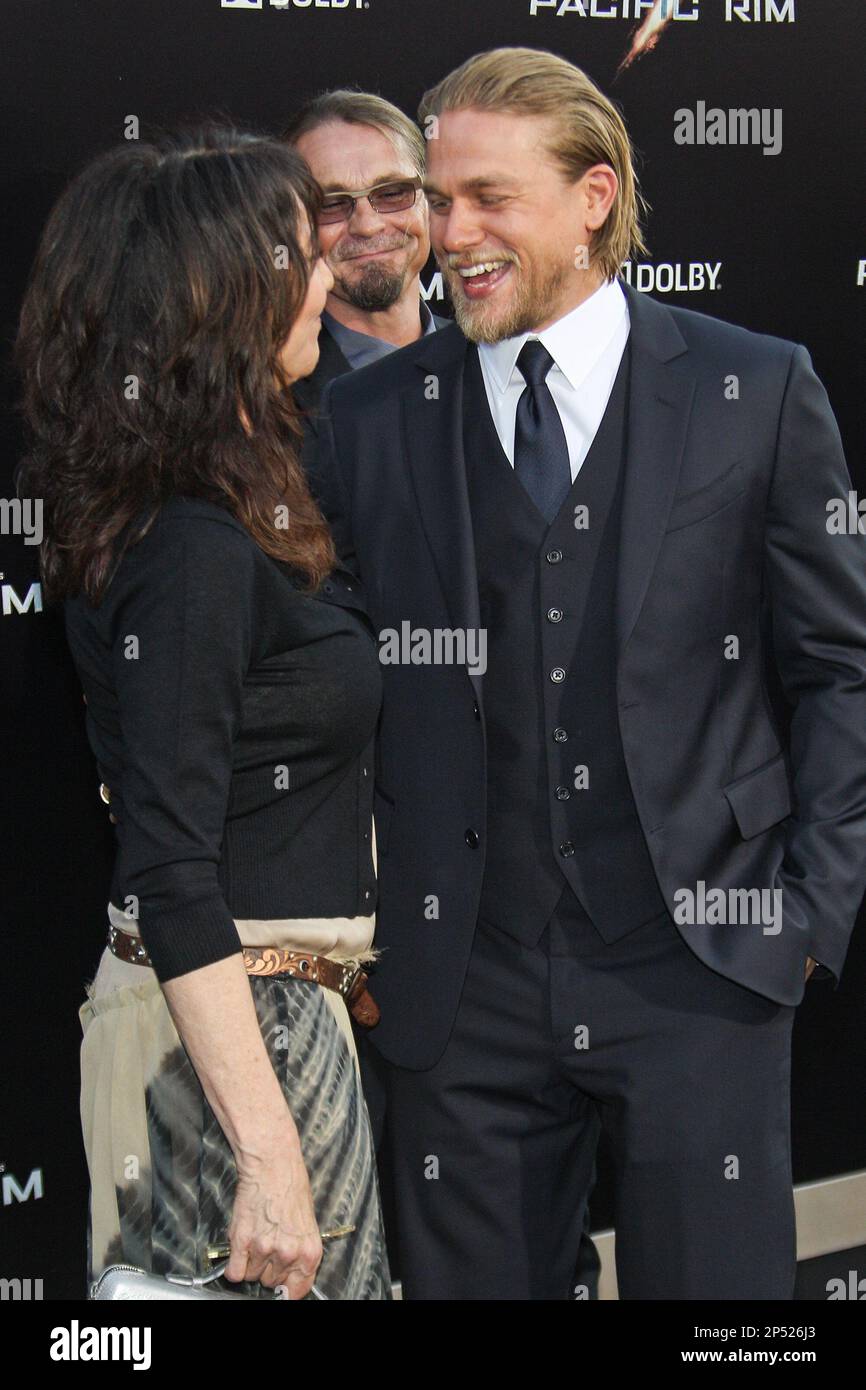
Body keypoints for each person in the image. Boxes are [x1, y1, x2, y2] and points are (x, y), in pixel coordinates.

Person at [308, 47, 866, 1299]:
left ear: (593, 197)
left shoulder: (754, 390)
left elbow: (840, 665)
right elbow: (329, 698)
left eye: (486, 199)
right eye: (437, 201)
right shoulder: (369, 419)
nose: (449, 236)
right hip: (459, 989)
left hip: (700, 967)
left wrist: (812, 911)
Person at [15, 123, 391, 1301]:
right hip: (233, 1049)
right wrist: (271, 1158)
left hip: (255, 1029)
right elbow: (173, 866)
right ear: (215, 297)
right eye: (295, 253)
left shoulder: (216, 508)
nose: (325, 273)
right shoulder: (187, 547)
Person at [285, 85, 602, 1298]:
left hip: (567, 939)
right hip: (382, 952)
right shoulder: (278, 418)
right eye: (331, 204)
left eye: (394, 193)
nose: (371, 224)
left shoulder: (525, 365)